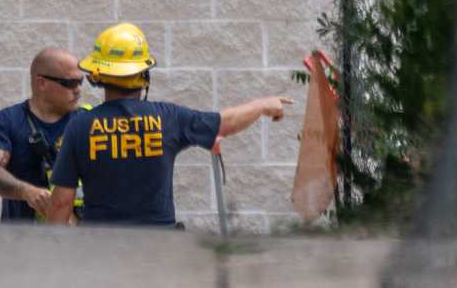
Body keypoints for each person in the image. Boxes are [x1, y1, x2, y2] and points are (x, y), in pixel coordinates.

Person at [46, 22, 292, 228]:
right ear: (144, 75)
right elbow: (223, 123)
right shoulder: (169, 119)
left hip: (102, 250)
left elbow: (60, 203)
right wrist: (262, 105)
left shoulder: (80, 127)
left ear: (97, 75)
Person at [0, 47, 87, 223]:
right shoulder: (6, 122)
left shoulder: (88, 121)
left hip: (79, 240)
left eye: (80, 81)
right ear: (41, 82)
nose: (78, 90)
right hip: (21, 241)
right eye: (69, 83)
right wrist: (27, 192)